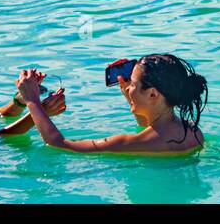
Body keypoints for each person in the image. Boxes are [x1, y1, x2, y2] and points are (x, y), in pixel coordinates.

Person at [15, 54, 204, 155]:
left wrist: (32, 100)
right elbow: (149, 126)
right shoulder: (192, 132)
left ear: (153, 93)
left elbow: (60, 145)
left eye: (133, 85)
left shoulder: (128, 143)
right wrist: (131, 96)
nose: (128, 88)